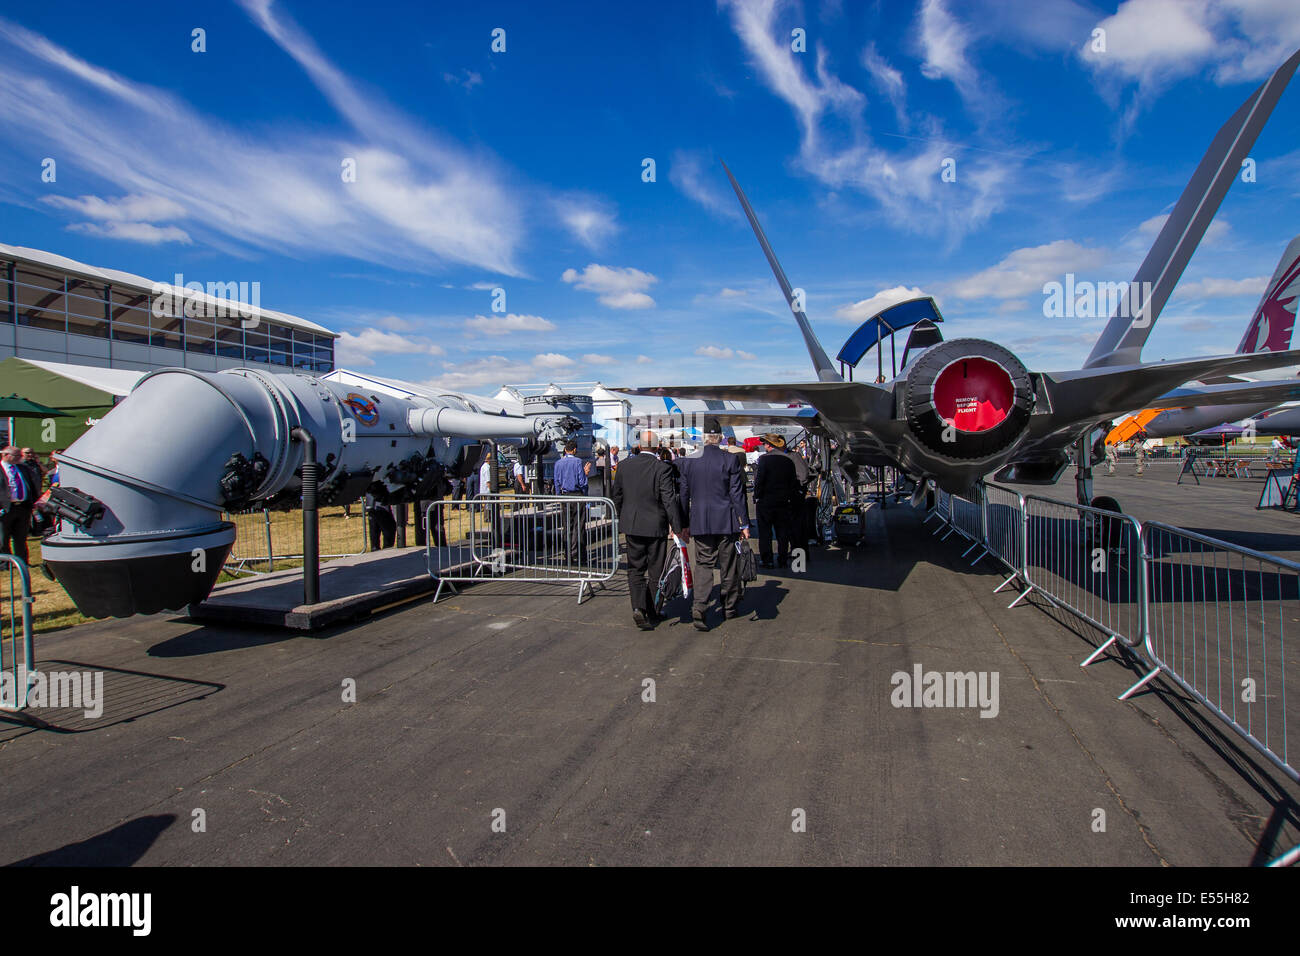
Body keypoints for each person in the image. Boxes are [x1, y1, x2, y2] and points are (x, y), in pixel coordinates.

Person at [677, 418, 750, 630]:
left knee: (704, 564)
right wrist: (744, 522)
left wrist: (683, 522)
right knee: (728, 565)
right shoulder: (730, 460)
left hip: (699, 519)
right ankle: (729, 606)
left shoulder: (689, 461)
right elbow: (737, 495)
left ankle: (699, 604)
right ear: (720, 437)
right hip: (725, 521)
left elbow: (684, 494)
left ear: (703, 437)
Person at [612, 442, 687, 630]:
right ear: (656, 448)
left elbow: (617, 495)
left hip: (633, 524)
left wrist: (623, 518)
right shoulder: (662, 467)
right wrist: (677, 527)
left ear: (639, 446)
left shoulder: (624, 466)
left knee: (635, 568)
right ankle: (653, 609)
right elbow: (668, 499)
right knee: (656, 569)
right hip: (656, 525)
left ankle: (638, 606)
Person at [753, 434, 800, 569]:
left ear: (769, 445)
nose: (764, 445)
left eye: (765, 443)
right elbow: (793, 481)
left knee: (765, 532)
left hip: (766, 501)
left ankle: (767, 559)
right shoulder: (788, 460)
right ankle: (783, 557)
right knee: (782, 531)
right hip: (783, 501)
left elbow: (759, 480)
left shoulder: (764, 460)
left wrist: (757, 495)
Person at [1, 446, 38, 564]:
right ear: (6, 455)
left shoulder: (23, 468)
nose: (20, 458)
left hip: (22, 507)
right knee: (3, 538)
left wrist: (33, 502)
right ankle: (4, 563)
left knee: (21, 537)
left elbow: (32, 484)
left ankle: (22, 562)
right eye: (17, 456)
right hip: (5, 508)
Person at [553, 441, 588, 566]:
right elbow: (582, 481)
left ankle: (567, 555)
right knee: (580, 526)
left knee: (567, 526)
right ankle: (581, 555)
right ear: (574, 450)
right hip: (577, 494)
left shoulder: (558, 463)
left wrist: (559, 496)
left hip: (565, 495)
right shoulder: (578, 462)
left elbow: (556, 481)